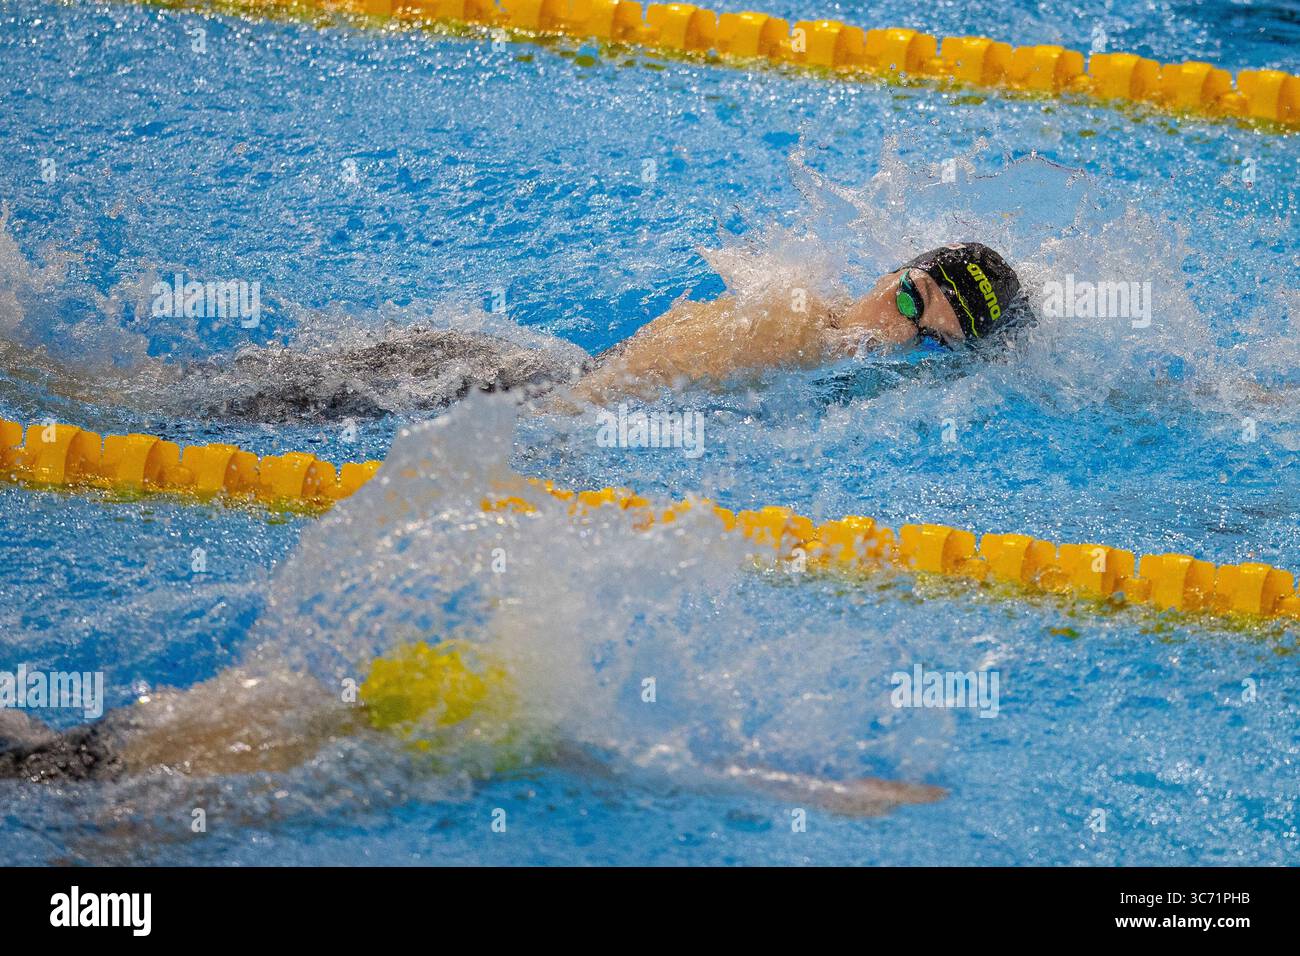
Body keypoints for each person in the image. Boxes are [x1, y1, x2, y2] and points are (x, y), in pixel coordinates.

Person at [0, 640, 945, 818]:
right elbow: (637, 764)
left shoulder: (309, 713)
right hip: (140, 761)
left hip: (142, 746)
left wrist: (818, 792)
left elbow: (635, 760)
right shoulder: (273, 742)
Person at [177, 242, 1027, 421]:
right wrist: (550, 434)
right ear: (890, 274)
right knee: (191, 412)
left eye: (928, 341)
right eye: (909, 304)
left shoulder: (832, 354)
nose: (897, 334)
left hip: (504, 370)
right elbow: (656, 361)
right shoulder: (797, 325)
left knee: (198, 393)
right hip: (492, 386)